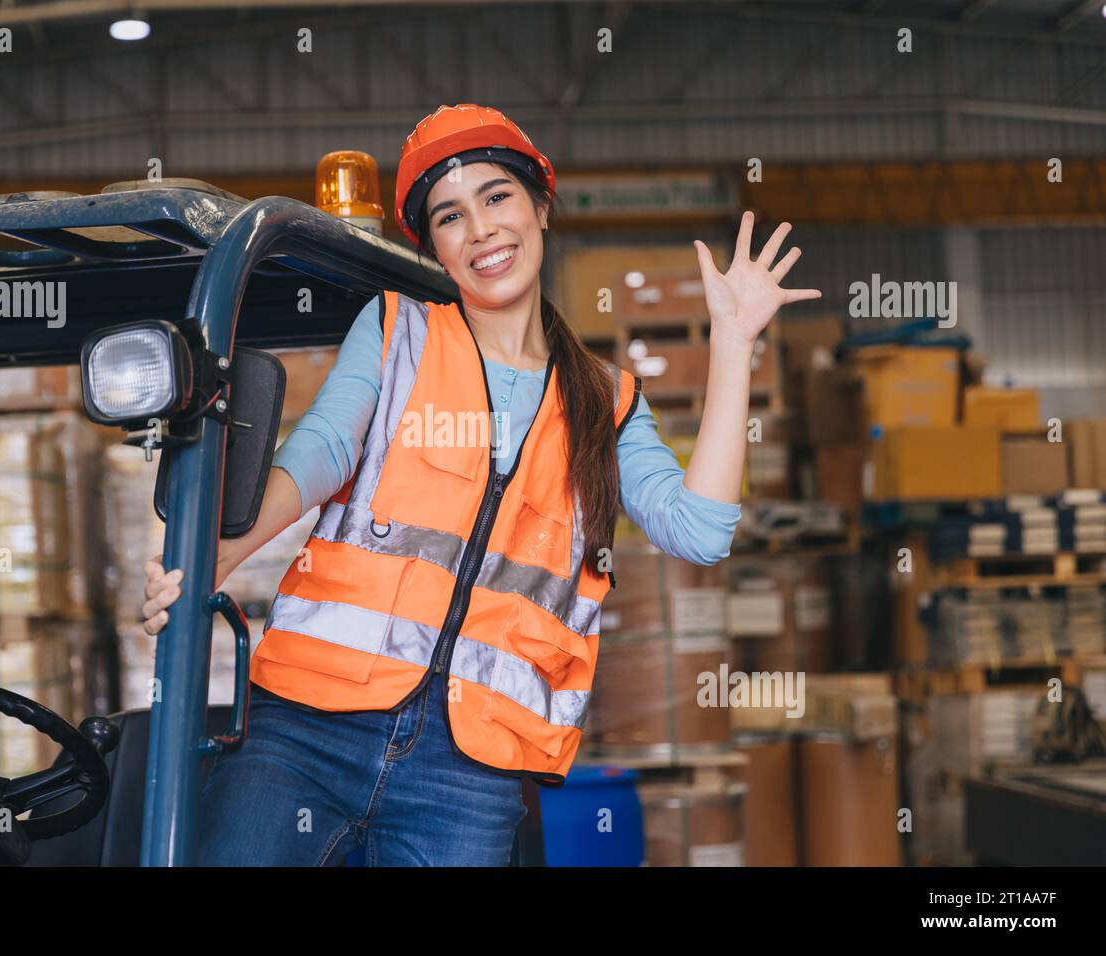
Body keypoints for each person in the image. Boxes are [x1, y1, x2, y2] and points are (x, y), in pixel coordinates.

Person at [142, 103, 820, 866]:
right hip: (307, 724)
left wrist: (733, 344)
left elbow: (699, 531)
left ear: (539, 205)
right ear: (432, 243)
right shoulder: (400, 331)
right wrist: (213, 556)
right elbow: (325, 449)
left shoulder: (607, 400)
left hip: (468, 769)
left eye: (497, 197)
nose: (482, 230)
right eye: (450, 217)